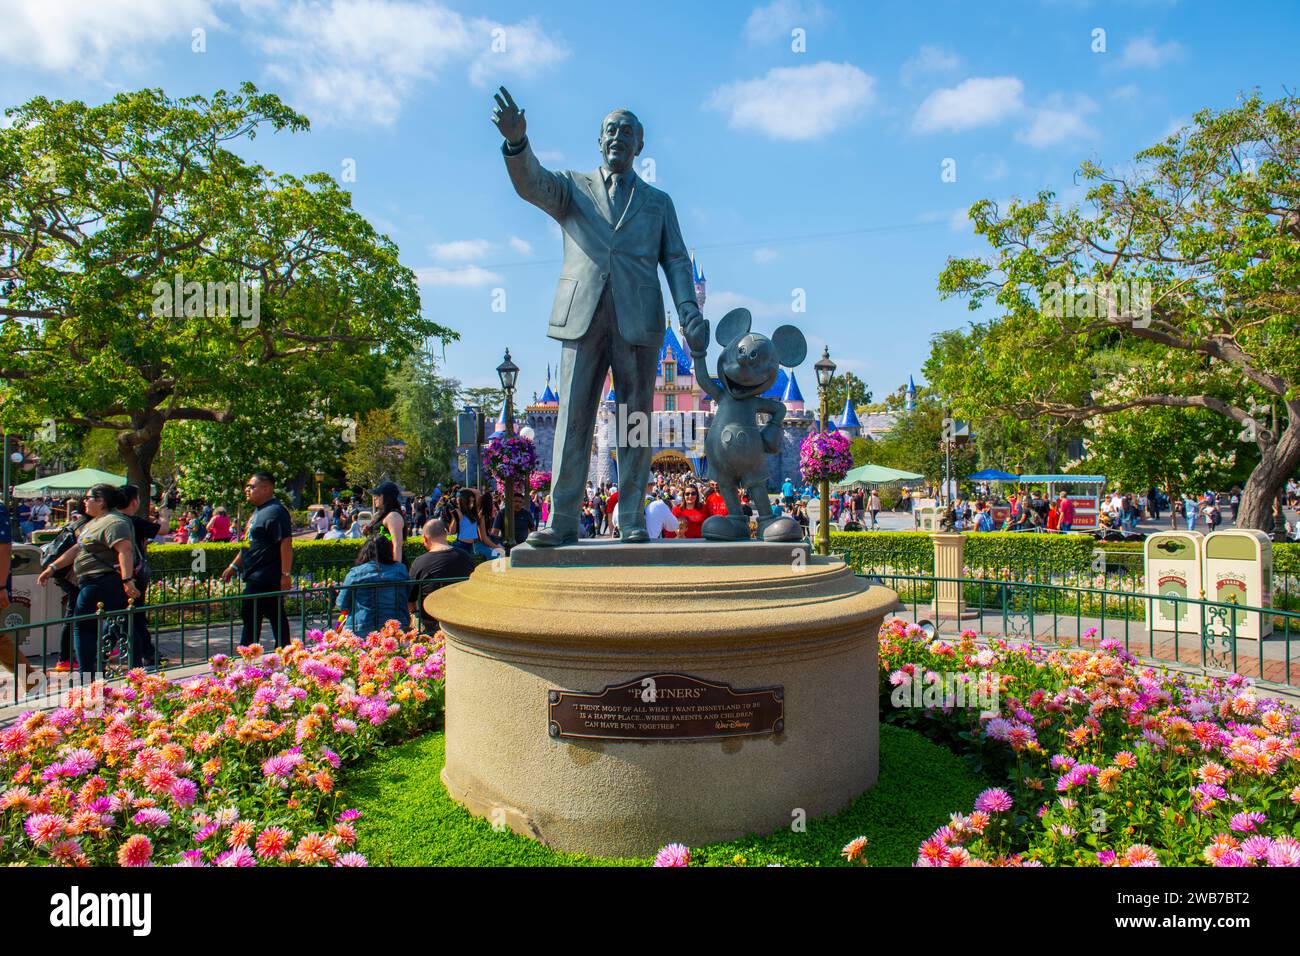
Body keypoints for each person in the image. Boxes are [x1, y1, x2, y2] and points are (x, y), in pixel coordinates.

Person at [493, 88, 702, 547]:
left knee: (636, 420)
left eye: (628, 132)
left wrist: (687, 310)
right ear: (599, 140)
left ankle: (631, 518)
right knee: (573, 417)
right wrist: (517, 144)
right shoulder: (572, 187)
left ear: (640, 146)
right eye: (611, 130)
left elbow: (677, 260)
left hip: (639, 322)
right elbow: (532, 185)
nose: (618, 138)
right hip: (582, 316)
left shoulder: (659, 202)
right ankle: (564, 516)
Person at [36, 484, 141, 675]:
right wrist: (52, 568)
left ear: (101, 501)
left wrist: (127, 580)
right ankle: (93, 674)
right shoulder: (94, 523)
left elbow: (124, 550)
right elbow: (77, 549)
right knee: (115, 626)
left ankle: (132, 673)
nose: (84, 501)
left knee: (107, 625)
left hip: (103, 581)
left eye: (88, 497)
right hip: (90, 582)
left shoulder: (115, 522)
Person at [221, 472, 294, 648]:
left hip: (265, 576)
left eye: (251, 486)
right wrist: (234, 565)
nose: (247, 490)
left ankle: (247, 653)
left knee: (251, 615)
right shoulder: (257, 512)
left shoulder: (276, 511)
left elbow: (286, 542)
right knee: (274, 615)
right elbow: (249, 544)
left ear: (266, 488)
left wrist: (285, 574)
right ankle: (285, 651)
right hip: (255, 575)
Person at [336, 535, 411, 638]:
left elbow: (341, 604)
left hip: (362, 627)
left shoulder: (356, 573)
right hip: (397, 625)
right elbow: (407, 594)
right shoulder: (401, 570)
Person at [409, 519, 475, 633]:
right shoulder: (466, 557)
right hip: (462, 620)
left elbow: (410, 598)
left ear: (425, 538)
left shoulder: (420, 562)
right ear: (446, 534)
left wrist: (415, 613)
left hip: (430, 622)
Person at [120, 484, 160, 666]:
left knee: (129, 616)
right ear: (134, 502)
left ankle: (144, 653)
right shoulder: (131, 521)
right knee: (134, 616)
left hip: (117, 575)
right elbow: (163, 530)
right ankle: (139, 656)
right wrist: (164, 515)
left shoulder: (111, 521)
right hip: (131, 577)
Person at [449, 488, 499, 559]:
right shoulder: (458, 512)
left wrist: (462, 489)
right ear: (465, 500)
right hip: (461, 545)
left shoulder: (474, 512)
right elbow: (451, 532)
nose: (473, 500)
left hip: (471, 546)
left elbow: (477, 492)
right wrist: (455, 519)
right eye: (471, 499)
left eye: (473, 499)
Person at [367, 481, 407, 562]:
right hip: (379, 564)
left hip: (388, 567)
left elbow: (397, 545)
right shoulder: (384, 514)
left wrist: (396, 570)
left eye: (378, 495)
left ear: (386, 497)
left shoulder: (393, 516)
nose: (375, 498)